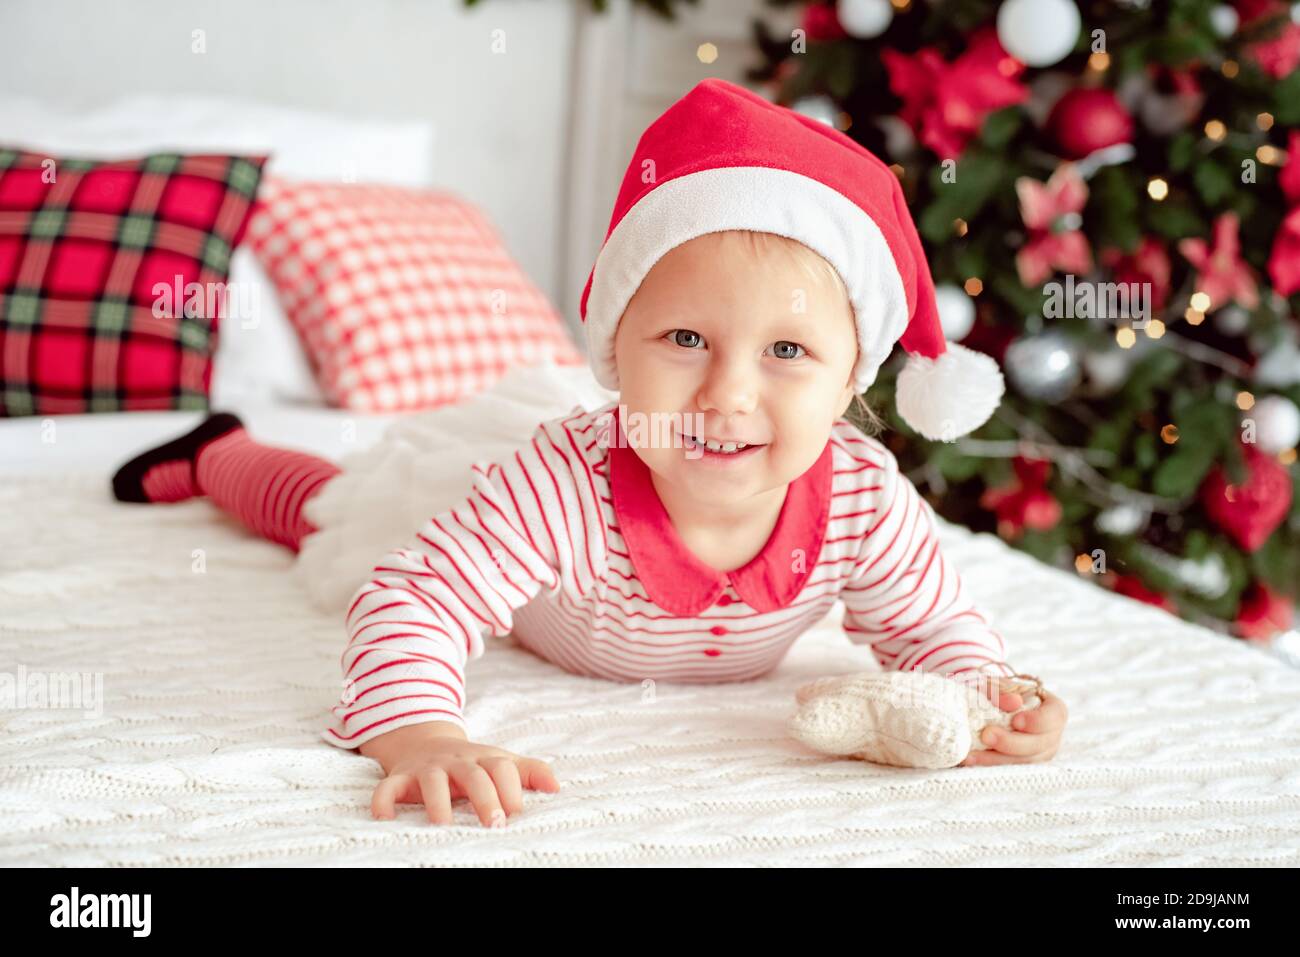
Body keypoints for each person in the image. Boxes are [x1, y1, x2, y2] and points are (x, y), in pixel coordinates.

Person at [111, 78, 1069, 828]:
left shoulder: (864, 499)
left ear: (850, 383)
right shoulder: (559, 486)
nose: (729, 395)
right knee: (338, 510)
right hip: (527, 553)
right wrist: (419, 730)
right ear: (618, 347)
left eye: (787, 353)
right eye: (685, 340)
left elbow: (933, 629)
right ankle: (218, 452)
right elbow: (417, 597)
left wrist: (992, 700)